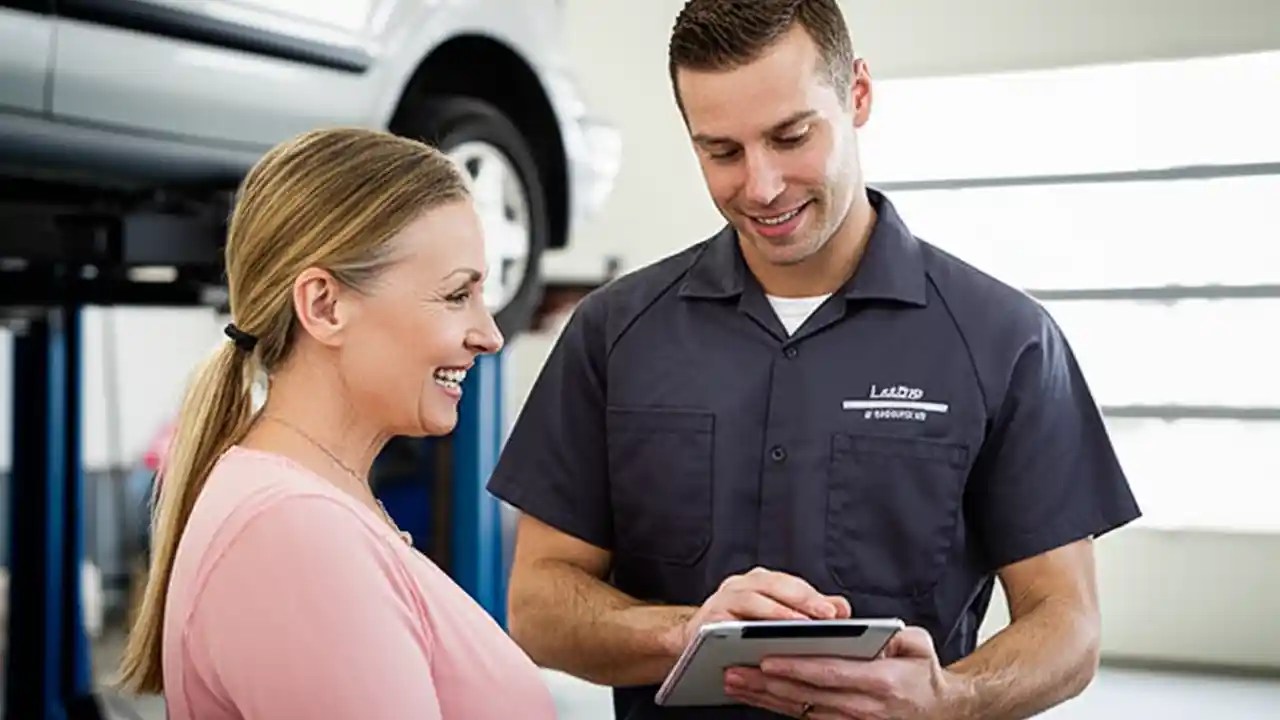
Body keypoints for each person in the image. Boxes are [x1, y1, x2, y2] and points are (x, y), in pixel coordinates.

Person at [485, 1, 1142, 718]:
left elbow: (1068, 627)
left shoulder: (1006, 339)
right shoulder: (612, 334)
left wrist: (950, 698)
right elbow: (538, 605)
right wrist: (683, 632)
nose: (761, 187)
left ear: (857, 95)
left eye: (791, 136)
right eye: (722, 152)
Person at [117, 127, 558, 720]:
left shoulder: (310, 509)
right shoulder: (291, 533)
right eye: (458, 296)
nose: (490, 334)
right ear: (324, 306)